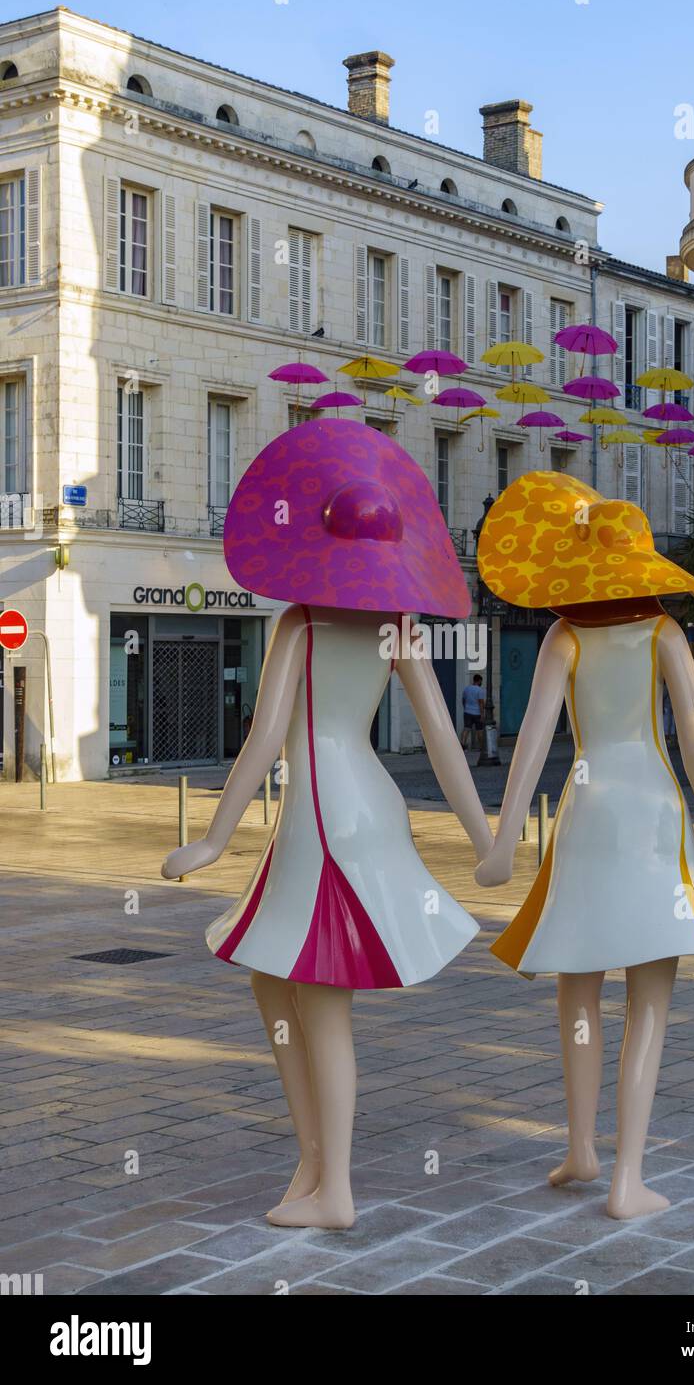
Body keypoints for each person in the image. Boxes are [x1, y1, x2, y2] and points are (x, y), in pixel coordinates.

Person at [162, 418, 492, 1230]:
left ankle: (333, 1185)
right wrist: (485, 836)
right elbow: (446, 741)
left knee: (317, 991)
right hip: (366, 798)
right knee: (274, 975)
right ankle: (312, 1165)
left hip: (318, 804)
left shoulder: (302, 623)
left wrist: (213, 838)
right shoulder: (397, 626)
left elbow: (265, 741)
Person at [474, 472, 694, 1221]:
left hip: (587, 809)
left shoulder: (564, 636)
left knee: (578, 982)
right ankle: (628, 1176)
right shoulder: (664, 632)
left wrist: (504, 843)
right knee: (649, 999)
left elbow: (529, 746)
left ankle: (580, 1149)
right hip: (655, 813)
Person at [461, 673, 486, 749]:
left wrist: (466, 708)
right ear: (479, 681)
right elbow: (481, 703)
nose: (481, 683)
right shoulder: (480, 690)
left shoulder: (467, 689)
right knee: (479, 731)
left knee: (466, 728)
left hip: (467, 712)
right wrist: (482, 715)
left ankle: (462, 744)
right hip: (477, 713)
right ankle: (481, 747)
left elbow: (463, 700)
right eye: (481, 681)